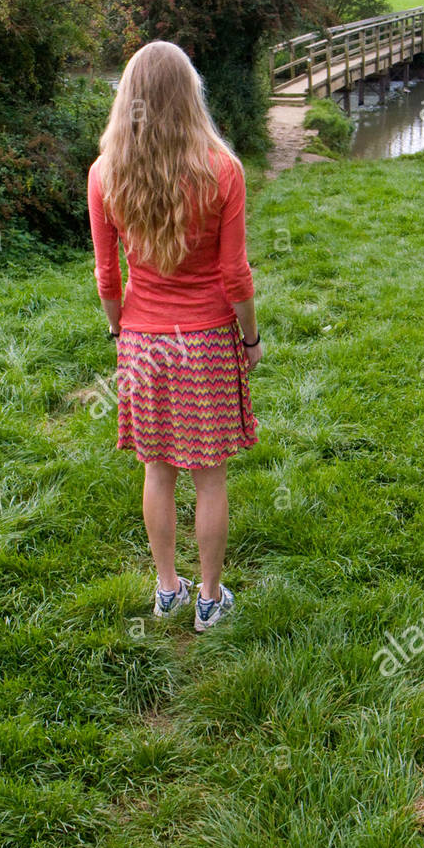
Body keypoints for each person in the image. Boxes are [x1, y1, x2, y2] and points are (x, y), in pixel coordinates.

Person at [88, 40, 262, 633]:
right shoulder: (222, 170)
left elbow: (107, 275)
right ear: (191, 94)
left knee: (157, 469)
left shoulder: (105, 173)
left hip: (142, 343)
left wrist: (118, 328)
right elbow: (235, 274)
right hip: (210, 342)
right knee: (209, 475)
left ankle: (167, 591)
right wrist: (252, 338)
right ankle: (209, 599)